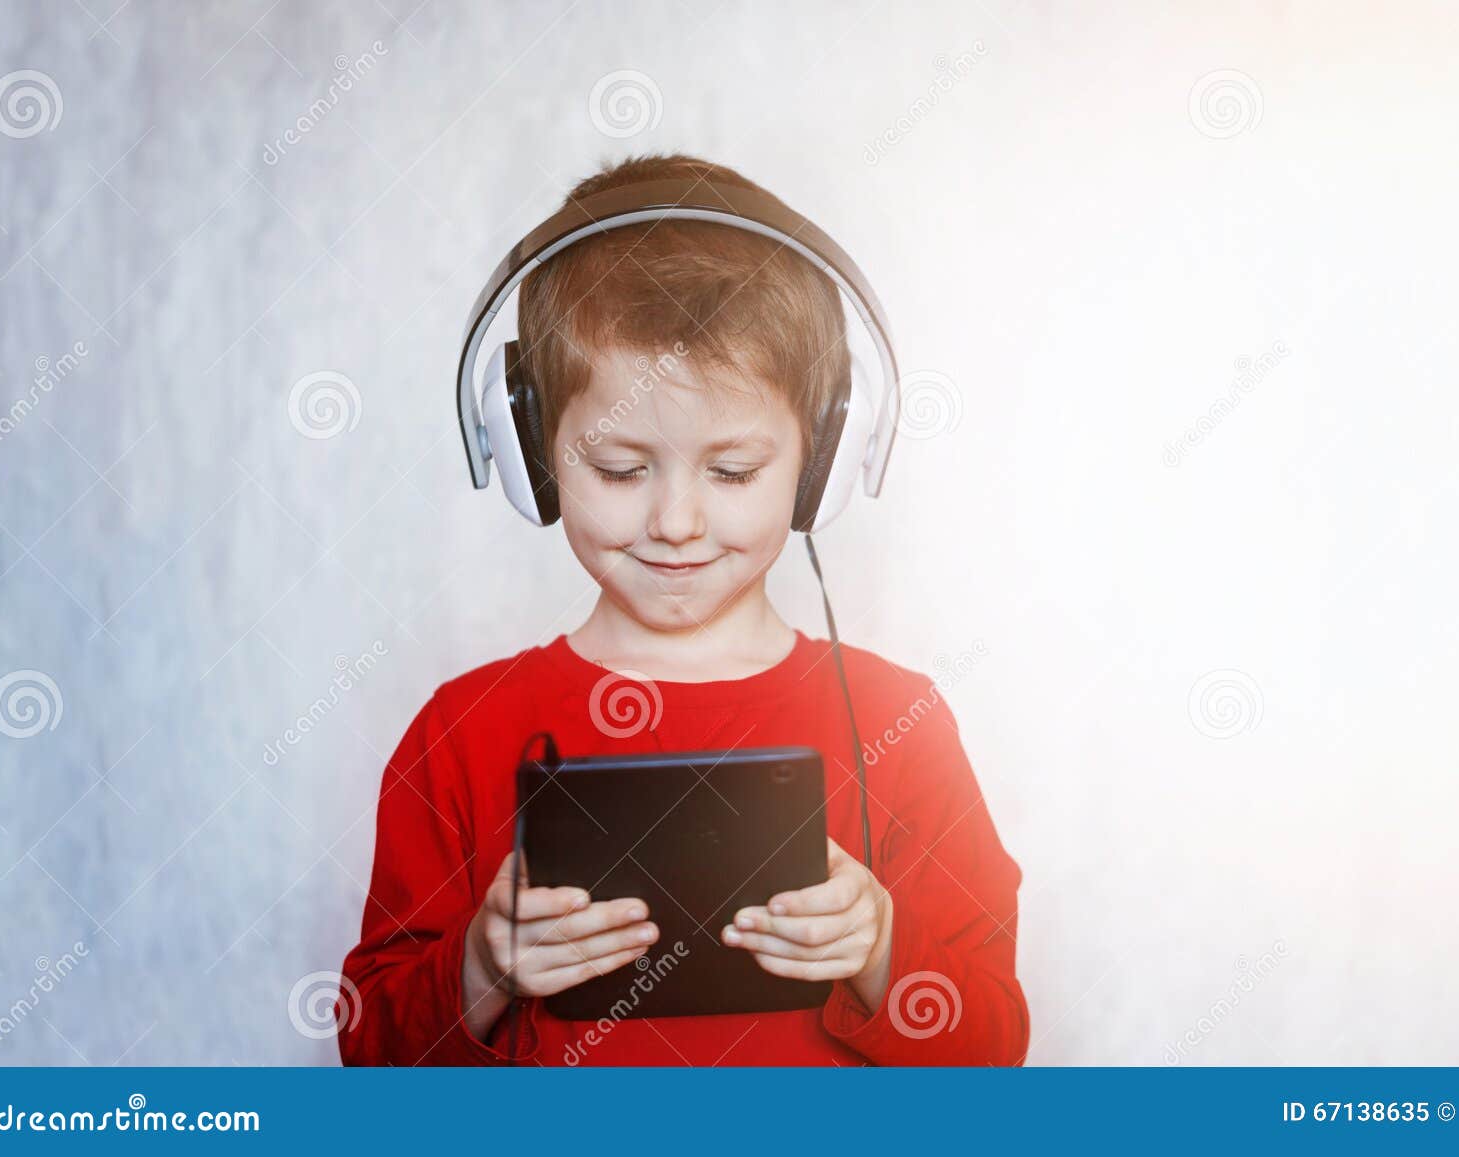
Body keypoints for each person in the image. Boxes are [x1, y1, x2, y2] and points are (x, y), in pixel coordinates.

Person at [338, 152, 1027, 1066]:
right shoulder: (458, 732)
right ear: (529, 449)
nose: (676, 522)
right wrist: (480, 967)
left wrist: (881, 953)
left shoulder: (905, 725)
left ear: (823, 458)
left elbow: (993, 1049)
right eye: (620, 469)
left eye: (734, 471)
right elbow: (369, 1056)